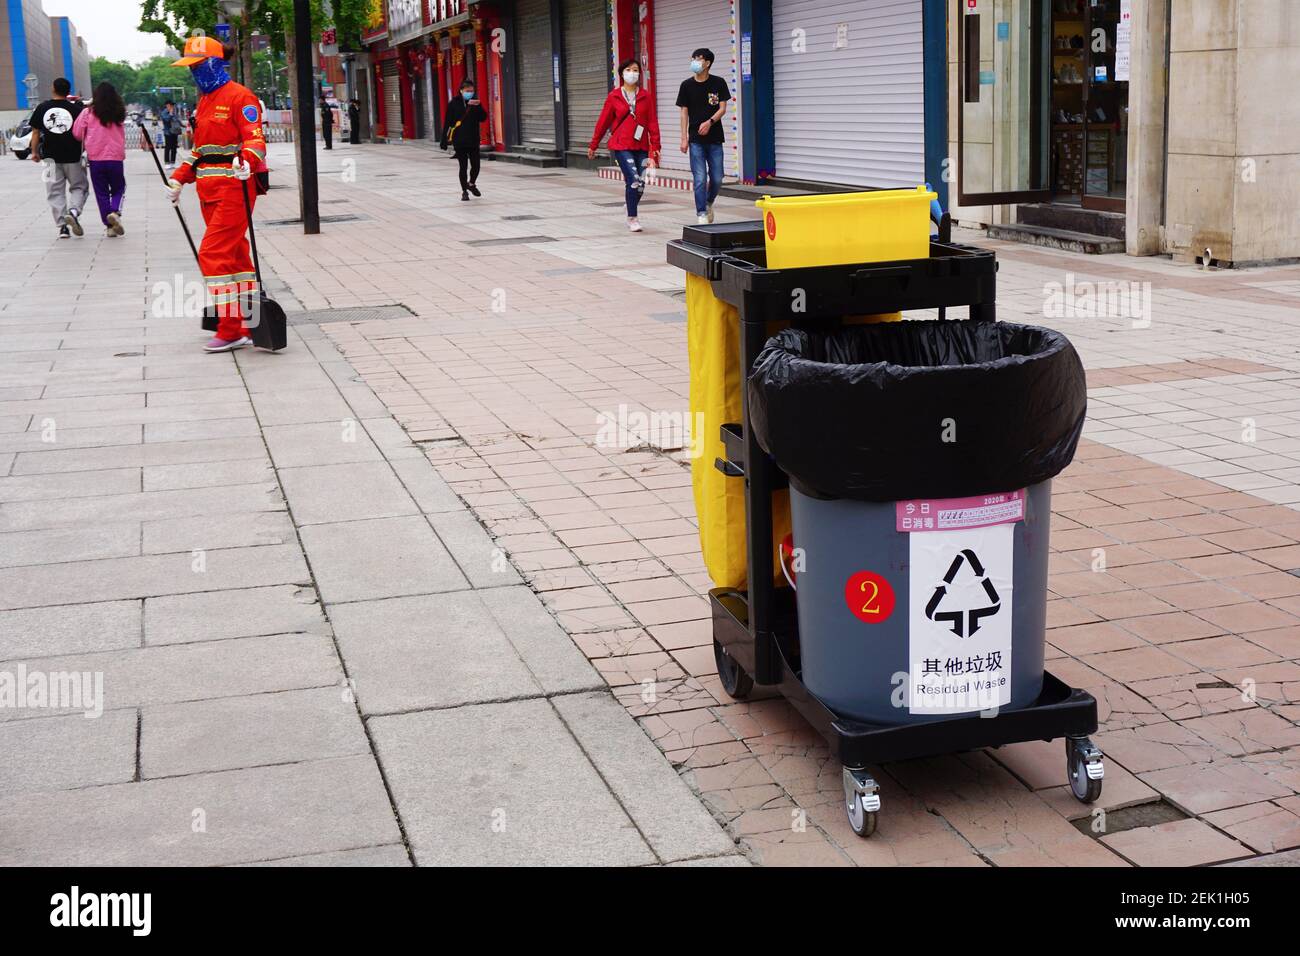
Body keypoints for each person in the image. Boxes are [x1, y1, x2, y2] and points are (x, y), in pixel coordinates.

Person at [164, 36, 269, 353]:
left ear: (214, 63)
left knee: (211, 254)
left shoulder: (241, 98)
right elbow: (200, 150)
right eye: (190, 68)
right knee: (236, 257)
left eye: (197, 66)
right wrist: (180, 178)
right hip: (209, 191)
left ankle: (230, 327)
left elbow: (256, 141)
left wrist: (247, 162)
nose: (194, 74)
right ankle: (250, 324)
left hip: (235, 188)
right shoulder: (205, 101)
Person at [588, 58, 660, 233]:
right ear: (621, 73)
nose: (632, 73)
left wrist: (655, 148)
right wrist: (594, 144)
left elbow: (652, 122)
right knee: (634, 179)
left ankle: (629, 205)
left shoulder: (645, 96)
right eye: (628, 70)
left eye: (635, 70)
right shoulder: (614, 96)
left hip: (641, 146)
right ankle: (632, 218)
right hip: (621, 145)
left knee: (641, 183)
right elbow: (603, 122)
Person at [676, 48, 731, 225]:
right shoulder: (686, 85)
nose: (695, 62)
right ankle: (701, 213)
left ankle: (708, 202)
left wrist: (710, 122)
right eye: (693, 58)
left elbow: (722, 108)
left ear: (707, 63)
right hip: (695, 140)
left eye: (698, 59)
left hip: (715, 138)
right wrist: (683, 138)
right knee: (699, 177)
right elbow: (684, 113)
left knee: (717, 177)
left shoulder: (718, 83)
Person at [29, 77, 88, 239]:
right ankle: (74, 212)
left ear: (53, 88)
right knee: (79, 187)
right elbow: (85, 133)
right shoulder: (77, 110)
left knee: (54, 192)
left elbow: (35, 132)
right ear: (68, 91)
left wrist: (34, 152)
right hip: (73, 156)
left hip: (49, 159)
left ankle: (62, 227)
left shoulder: (42, 108)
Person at [72, 82, 128, 237]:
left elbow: (77, 133)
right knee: (119, 188)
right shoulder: (119, 111)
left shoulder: (88, 112)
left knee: (101, 192)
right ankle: (115, 211)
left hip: (96, 158)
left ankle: (109, 226)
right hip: (116, 158)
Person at [440, 79, 487, 201]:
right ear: (461, 91)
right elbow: (447, 123)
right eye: (467, 91)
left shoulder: (475, 103)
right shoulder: (453, 103)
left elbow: (483, 118)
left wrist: (478, 107)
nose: (470, 93)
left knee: (476, 165)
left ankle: (471, 183)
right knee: (463, 166)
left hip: (473, 139)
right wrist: (443, 139)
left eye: (472, 91)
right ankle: (464, 191)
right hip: (459, 141)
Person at [160, 100, 181, 166]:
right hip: (168, 132)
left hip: (174, 132)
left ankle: (173, 162)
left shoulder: (173, 112)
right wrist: (170, 114)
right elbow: (166, 120)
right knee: (168, 147)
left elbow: (177, 120)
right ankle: (167, 163)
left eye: (172, 105)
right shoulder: (164, 112)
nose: (172, 106)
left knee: (174, 148)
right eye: (171, 105)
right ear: (167, 105)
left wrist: (183, 125)